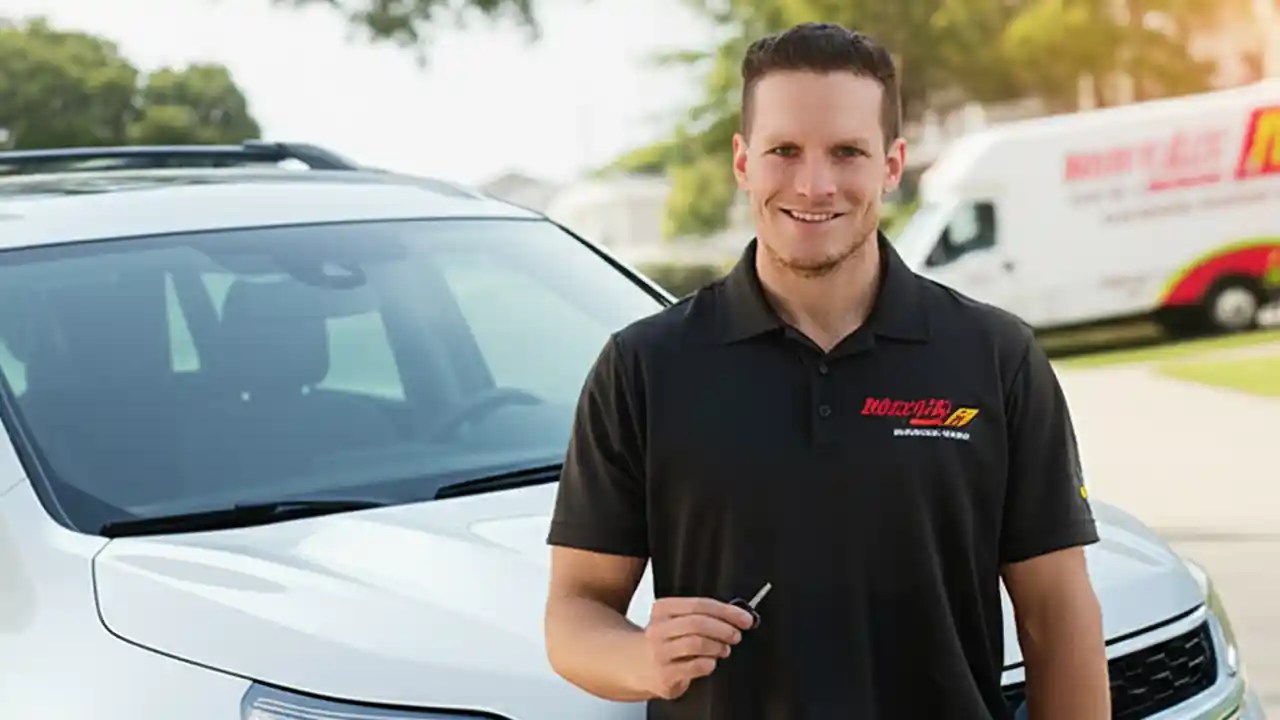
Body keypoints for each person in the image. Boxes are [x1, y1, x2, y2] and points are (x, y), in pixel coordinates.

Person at [543, 21, 1111, 720]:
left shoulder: (994, 356)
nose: (815, 185)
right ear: (743, 161)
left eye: (847, 152)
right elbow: (574, 612)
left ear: (892, 165)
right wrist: (636, 659)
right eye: (784, 150)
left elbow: (1057, 614)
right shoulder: (643, 368)